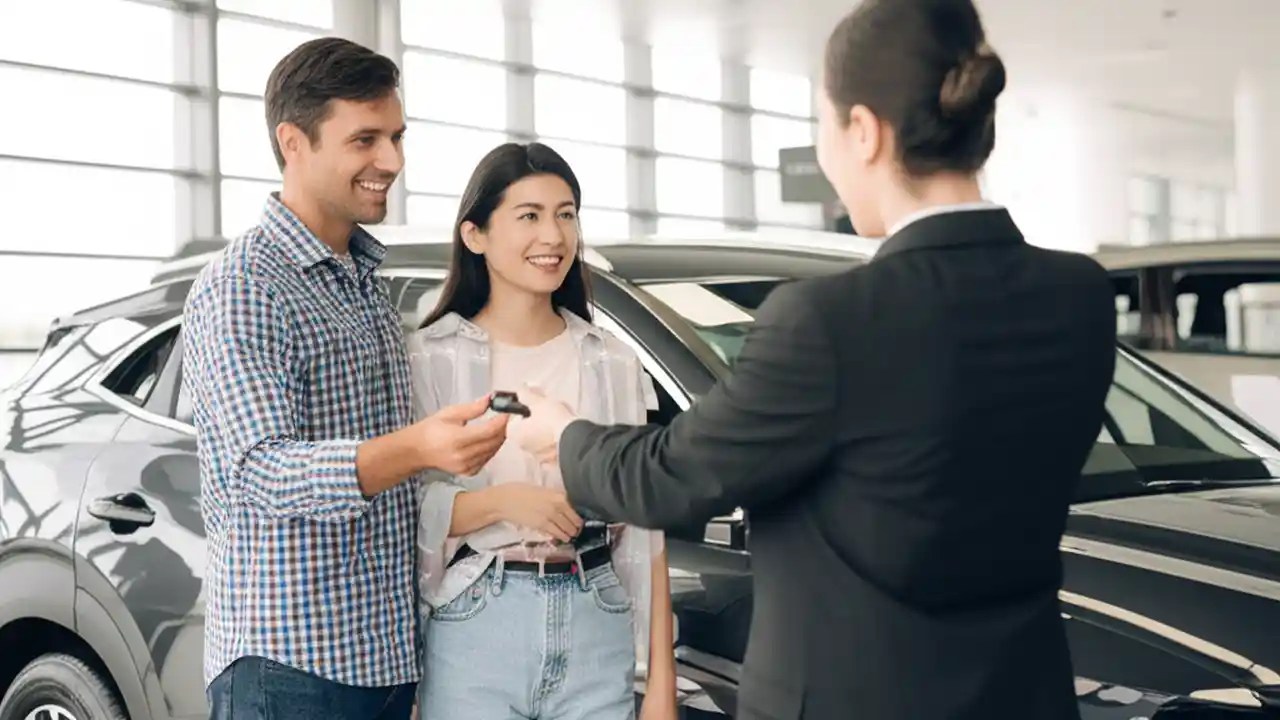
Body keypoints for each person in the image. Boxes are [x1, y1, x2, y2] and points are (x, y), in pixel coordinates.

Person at [513, 1, 1117, 719]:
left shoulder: (829, 320)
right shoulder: (1079, 295)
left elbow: (676, 477)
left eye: (823, 126)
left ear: (863, 132)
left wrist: (563, 435)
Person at [182, 38, 508, 719]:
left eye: (395, 137)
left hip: (381, 663)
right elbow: (259, 470)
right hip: (290, 669)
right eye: (365, 139)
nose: (391, 161)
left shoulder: (362, 283)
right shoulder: (245, 287)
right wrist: (417, 448)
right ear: (293, 142)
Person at [406, 142, 679, 720]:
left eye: (566, 214)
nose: (553, 236)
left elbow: (645, 530)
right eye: (528, 216)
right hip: (475, 621)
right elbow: (401, 510)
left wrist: (661, 689)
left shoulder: (611, 362)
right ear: (475, 234)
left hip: (595, 614)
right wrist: (504, 504)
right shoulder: (431, 358)